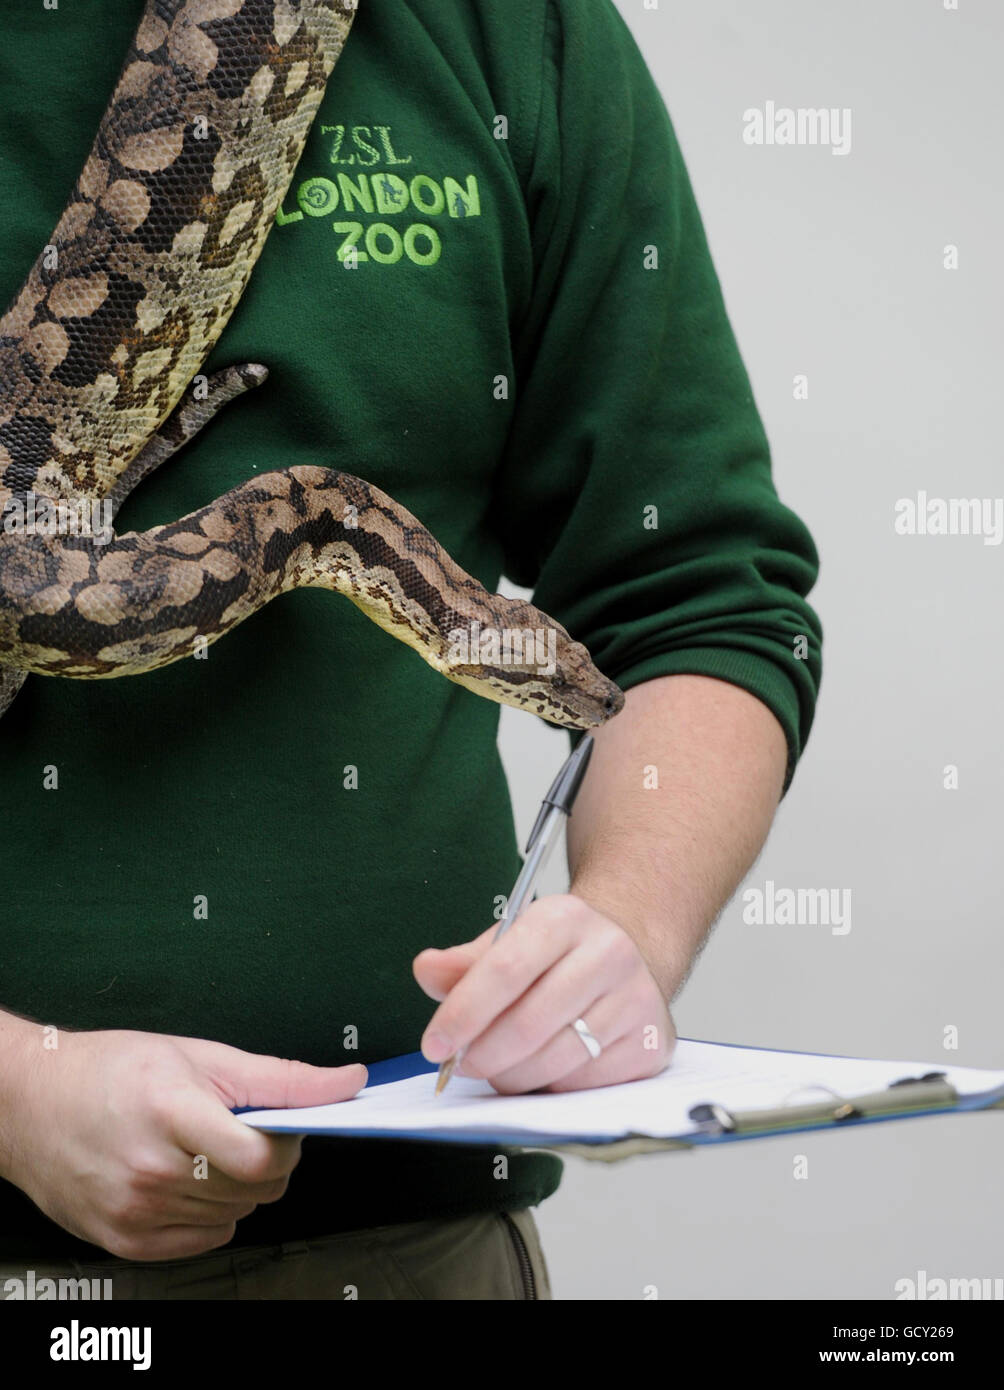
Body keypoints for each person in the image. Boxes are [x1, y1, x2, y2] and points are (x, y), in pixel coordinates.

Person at [0, 0, 821, 1300]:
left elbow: (703, 601)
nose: (569, 697)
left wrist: (625, 927)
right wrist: (12, 1086)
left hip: (416, 1254)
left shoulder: (511, 34)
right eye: (546, 682)